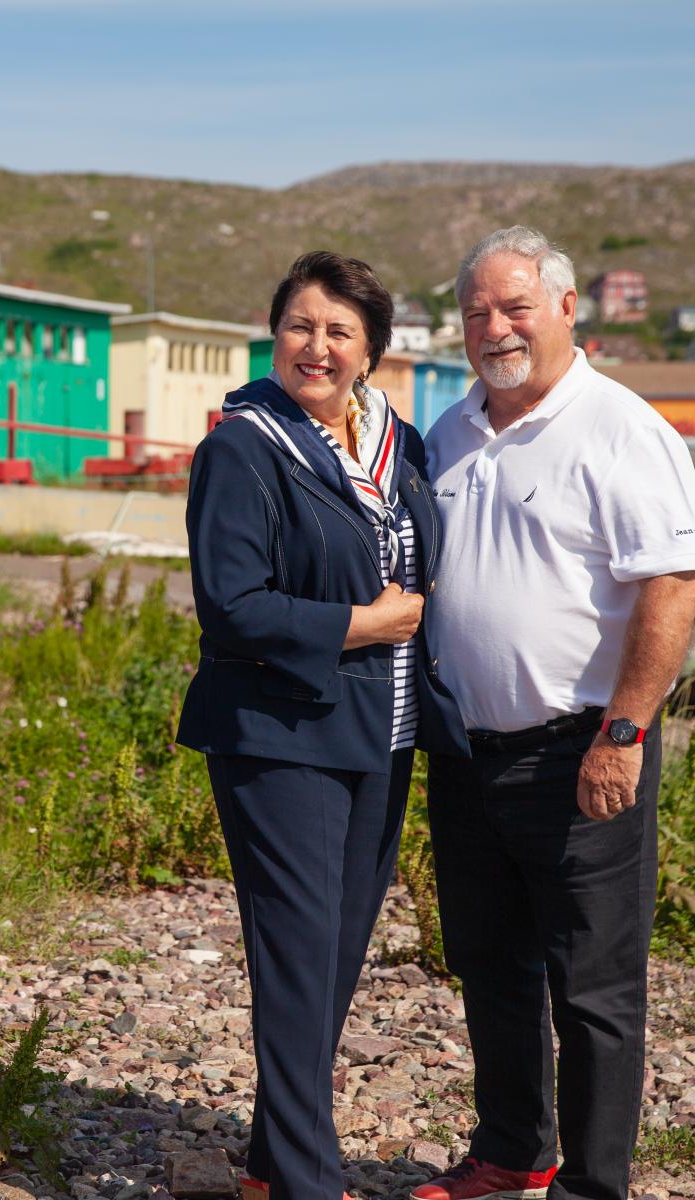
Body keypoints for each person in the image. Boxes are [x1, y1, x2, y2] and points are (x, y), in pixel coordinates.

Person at [176, 250, 470, 1200]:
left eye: (340, 331)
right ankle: (309, 1180)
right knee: (298, 960)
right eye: (301, 325)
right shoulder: (243, 448)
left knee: (334, 962)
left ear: (371, 350)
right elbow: (231, 605)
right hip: (280, 736)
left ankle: (271, 1163)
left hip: (382, 735)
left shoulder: (401, 444)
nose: (318, 346)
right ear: (274, 336)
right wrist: (362, 625)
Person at [413, 226, 695, 1200]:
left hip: (584, 754)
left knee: (593, 989)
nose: (495, 328)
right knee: (490, 965)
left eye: (516, 307)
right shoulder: (449, 434)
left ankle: (592, 1186)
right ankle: (512, 1151)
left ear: (568, 308)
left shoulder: (622, 430)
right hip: (469, 755)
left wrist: (625, 733)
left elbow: (671, 588)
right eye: (477, 312)